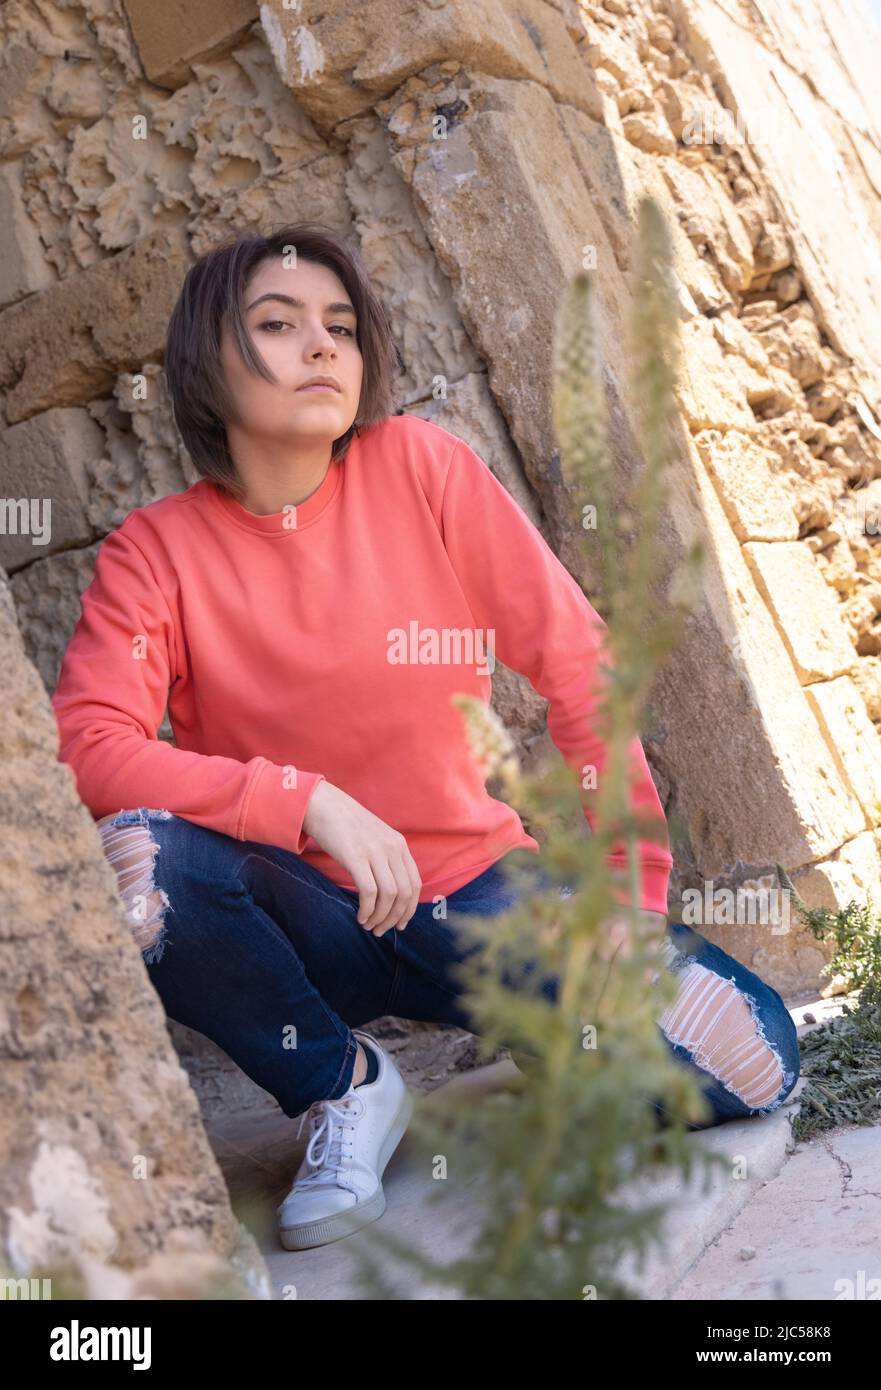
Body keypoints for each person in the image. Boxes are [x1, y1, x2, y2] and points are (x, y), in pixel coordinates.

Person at [50, 222, 801, 1252]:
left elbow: (578, 669)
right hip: (301, 916)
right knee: (136, 857)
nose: (321, 346)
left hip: (481, 894)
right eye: (277, 324)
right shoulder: (156, 551)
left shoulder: (422, 468)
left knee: (751, 1065)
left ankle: (559, 1034)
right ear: (205, 366)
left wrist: (629, 893)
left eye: (341, 327)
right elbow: (88, 748)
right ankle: (340, 1086)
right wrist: (300, 798)